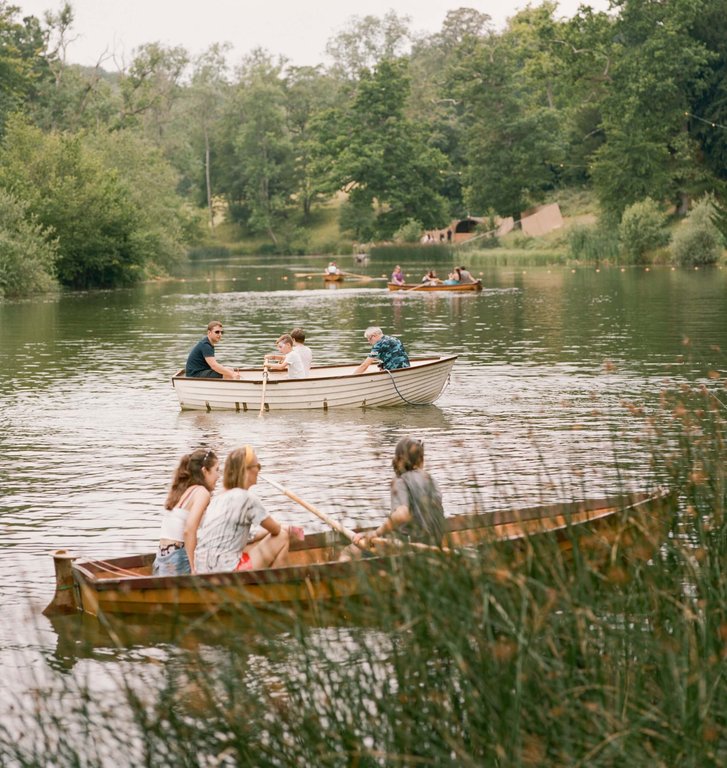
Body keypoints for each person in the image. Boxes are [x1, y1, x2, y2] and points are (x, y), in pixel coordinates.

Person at [341, 437, 446, 559]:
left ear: (398, 460)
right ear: (421, 460)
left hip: (407, 549)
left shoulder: (401, 481)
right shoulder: (432, 480)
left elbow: (402, 514)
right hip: (434, 546)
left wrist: (375, 533)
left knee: (349, 552)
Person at [194, 445, 292, 573]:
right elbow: (276, 530)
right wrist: (286, 528)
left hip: (202, 570)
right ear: (247, 470)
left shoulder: (217, 499)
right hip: (228, 571)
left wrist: (264, 533)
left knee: (250, 545)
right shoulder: (247, 499)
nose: (259, 470)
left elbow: (237, 536)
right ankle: (278, 587)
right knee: (282, 537)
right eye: (258, 466)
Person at [152, 447, 220, 576]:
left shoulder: (183, 491)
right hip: (178, 559)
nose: (218, 475)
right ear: (205, 471)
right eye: (216, 470)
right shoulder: (202, 492)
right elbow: (189, 529)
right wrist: (194, 568)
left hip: (161, 558)